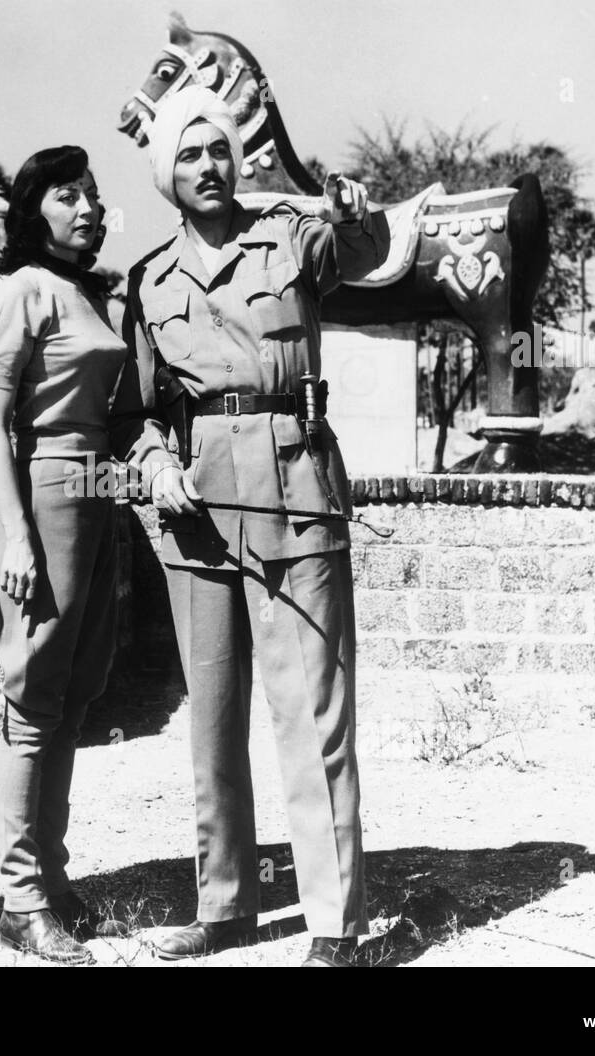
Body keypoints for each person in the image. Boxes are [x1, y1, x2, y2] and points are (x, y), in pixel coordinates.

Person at [112, 86, 390, 967]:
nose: (208, 167)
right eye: (189, 156)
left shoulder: (291, 237)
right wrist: (156, 466)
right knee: (214, 713)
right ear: (167, 176)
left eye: (219, 151)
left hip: (294, 488)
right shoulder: (149, 279)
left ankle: (335, 923)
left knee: (311, 710)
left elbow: (364, 250)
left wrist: (353, 208)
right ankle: (224, 904)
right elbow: (138, 411)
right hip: (198, 509)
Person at [0, 146, 125, 966]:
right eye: (68, 195)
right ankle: (20, 901)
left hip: (103, 492)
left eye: (93, 194)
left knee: (72, 690)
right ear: (35, 210)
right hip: (49, 486)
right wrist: (13, 531)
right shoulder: (20, 293)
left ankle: (51, 879)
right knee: (33, 692)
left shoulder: (93, 295)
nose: (88, 208)